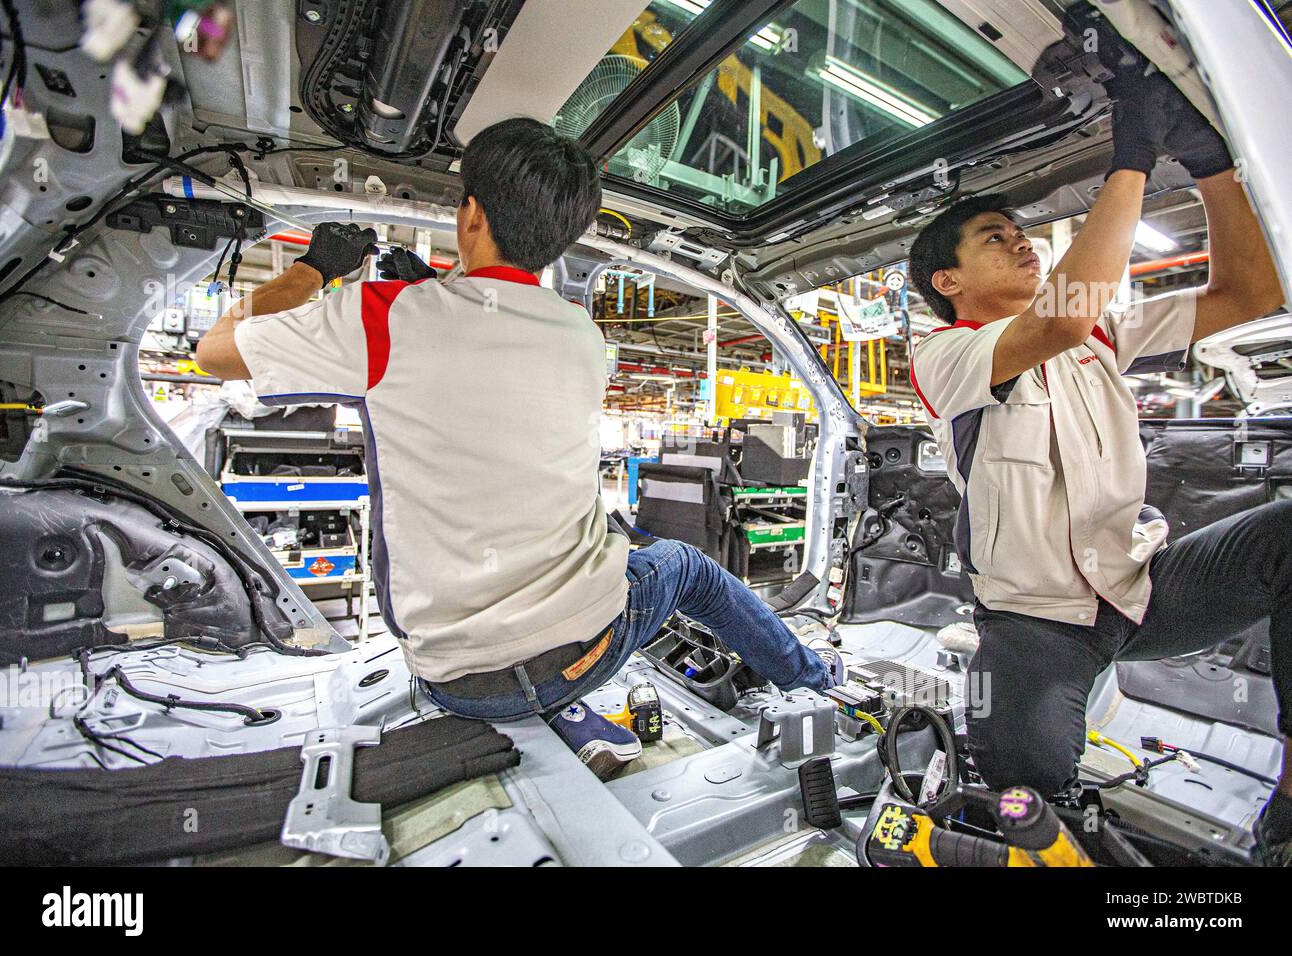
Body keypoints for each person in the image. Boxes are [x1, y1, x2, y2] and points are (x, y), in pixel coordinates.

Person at [195, 117, 841, 780]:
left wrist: (313, 269)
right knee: (689, 570)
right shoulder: (583, 337)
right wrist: (436, 290)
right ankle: (813, 674)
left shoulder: (385, 314)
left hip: (457, 679)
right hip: (587, 651)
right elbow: (492, 366)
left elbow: (214, 351)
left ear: (470, 213)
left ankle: (564, 710)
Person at [906, 68, 1289, 863]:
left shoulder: (1102, 334)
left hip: (1138, 588)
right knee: (1022, 796)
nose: (1023, 241)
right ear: (950, 283)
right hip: (1033, 624)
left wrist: (1213, 168)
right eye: (996, 238)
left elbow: (1254, 291)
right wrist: (1134, 157)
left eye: (1023, 232)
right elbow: (1064, 316)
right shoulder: (945, 356)